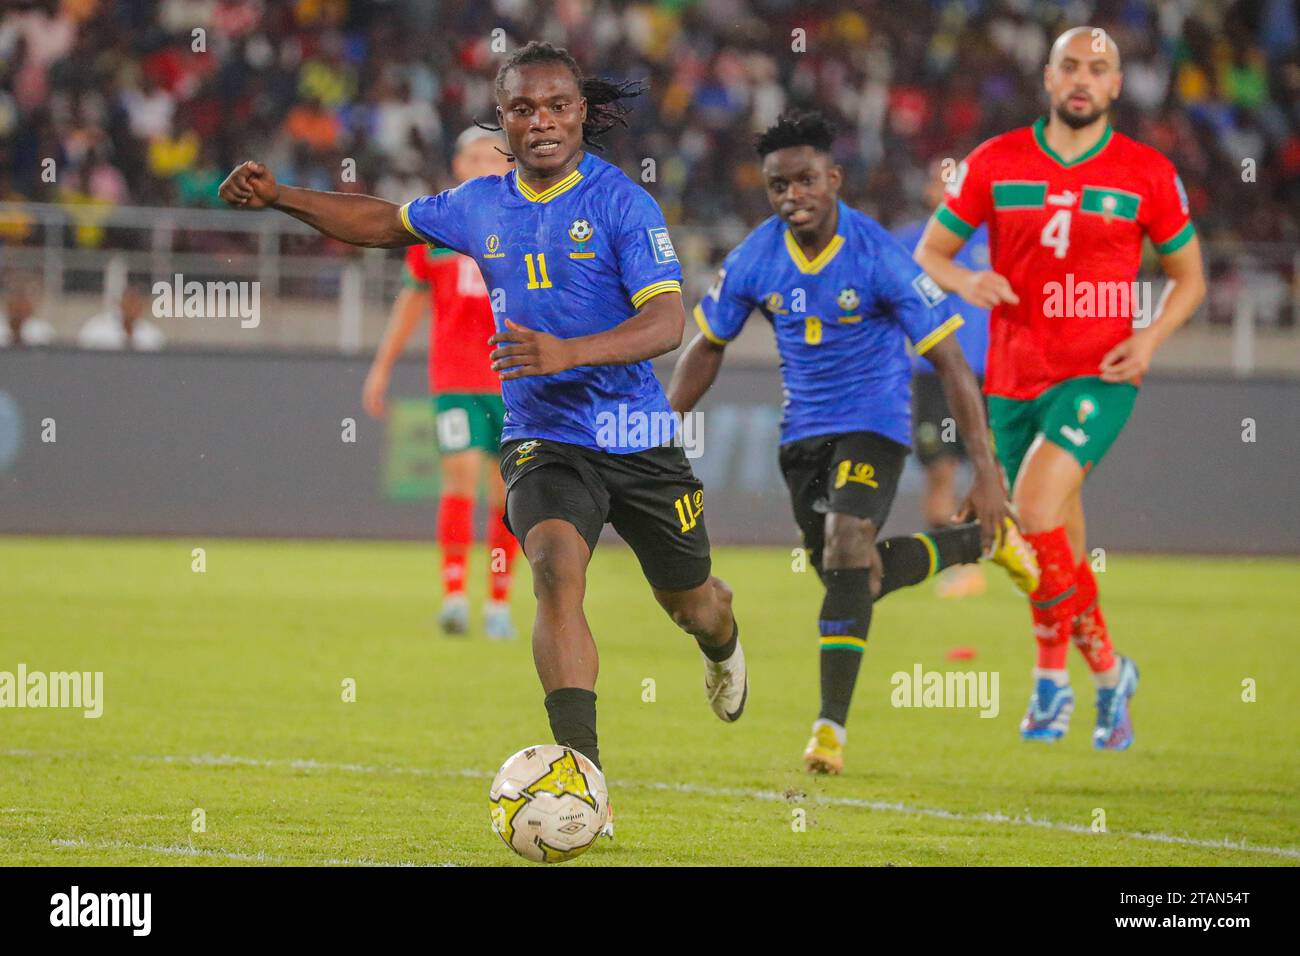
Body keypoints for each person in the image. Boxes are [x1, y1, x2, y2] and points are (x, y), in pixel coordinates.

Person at [219, 42, 747, 786]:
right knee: (556, 571)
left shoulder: (622, 202)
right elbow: (381, 222)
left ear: (583, 113)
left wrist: (569, 352)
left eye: (557, 106)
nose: (542, 121)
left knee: (694, 603)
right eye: (523, 108)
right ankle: (582, 777)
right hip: (542, 433)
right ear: (502, 121)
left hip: (636, 435)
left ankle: (722, 646)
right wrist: (283, 197)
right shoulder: (479, 203)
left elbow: (666, 322)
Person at [668, 111, 1037, 775]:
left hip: (876, 422)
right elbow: (708, 346)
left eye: (806, 181)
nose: (792, 196)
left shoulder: (879, 254)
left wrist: (987, 473)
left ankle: (828, 731)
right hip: (802, 437)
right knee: (852, 579)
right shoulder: (757, 254)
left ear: (833, 179)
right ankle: (984, 542)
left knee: (845, 542)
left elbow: (952, 362)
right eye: (779, 186)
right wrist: (660, 425)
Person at [915, 27, 1207, 750]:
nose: (1083, 79)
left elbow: (1189, 277)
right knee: (1053, 546)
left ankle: (1050, 681)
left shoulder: (1146, 172)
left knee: (1036, 509)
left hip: (1101, 373)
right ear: (1048, 78)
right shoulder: (994, 161)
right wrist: (967, 279)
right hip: (1012, 381)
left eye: (1098, 69)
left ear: (1115, 87)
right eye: (1071, 66)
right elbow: (932, 252)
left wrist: (1147, 338)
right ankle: (1109, 675)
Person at [362, 127, 519, 640]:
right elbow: (410, 303)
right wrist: (382, 367)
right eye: (473, 156)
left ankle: (498, 602)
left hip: (514, 382)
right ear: (458, 166)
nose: (483, 165)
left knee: (505, 494)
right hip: (455, 379)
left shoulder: (525, 225)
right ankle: (454, 594)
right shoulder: (433, 232)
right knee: (459, 476)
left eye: (493, 158)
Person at [894, 160, 992, 600]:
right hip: (934, 375)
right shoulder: (908, 241)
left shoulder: (996, 238)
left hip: (991, 375)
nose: (948, 190)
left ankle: (996, 555)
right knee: (940, 470)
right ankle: (957, 564)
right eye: (941, 182)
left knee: (994, 471)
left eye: (957, 183)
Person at [78, 286, 165, 351]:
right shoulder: (96, 328)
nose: (133, 308)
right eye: (130, 302)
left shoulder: (151, 333)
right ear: (120, 303)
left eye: (137, 303)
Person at [0, 277, 55, 348]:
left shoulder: (42, 329)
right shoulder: (1, 326)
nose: (19, 308)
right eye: (15, 303)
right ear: (8, 305)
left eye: (23, 304)